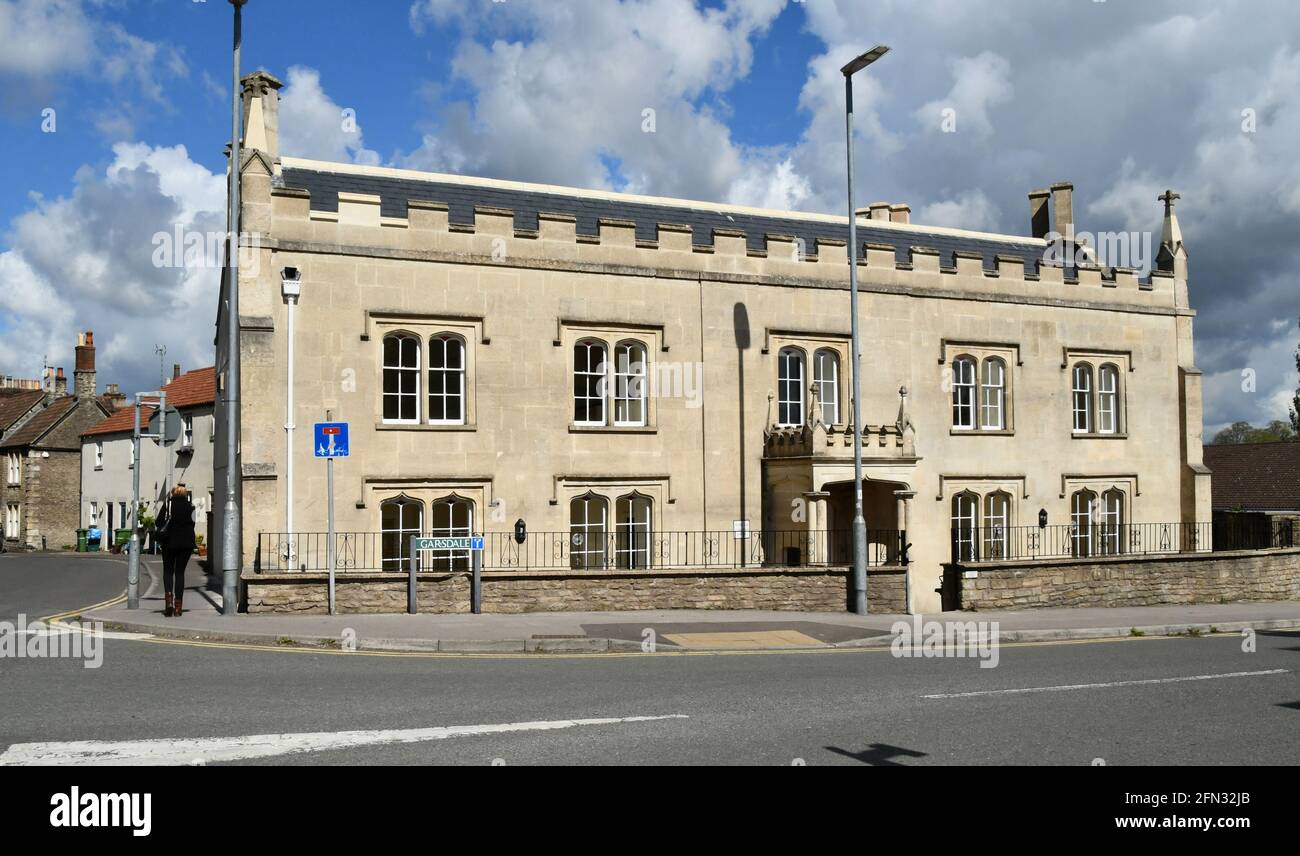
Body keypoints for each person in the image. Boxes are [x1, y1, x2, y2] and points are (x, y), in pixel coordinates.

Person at [156, 485, 197, 617]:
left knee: (168, 571)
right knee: (180, 573)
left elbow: (158, 522)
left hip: (169, 542)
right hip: (186, 544)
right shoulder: (191, 507)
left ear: (173, 493)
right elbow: (193, 524)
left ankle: (169, 602)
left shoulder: (168, 505)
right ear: (185, 494)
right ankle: (178, 607)